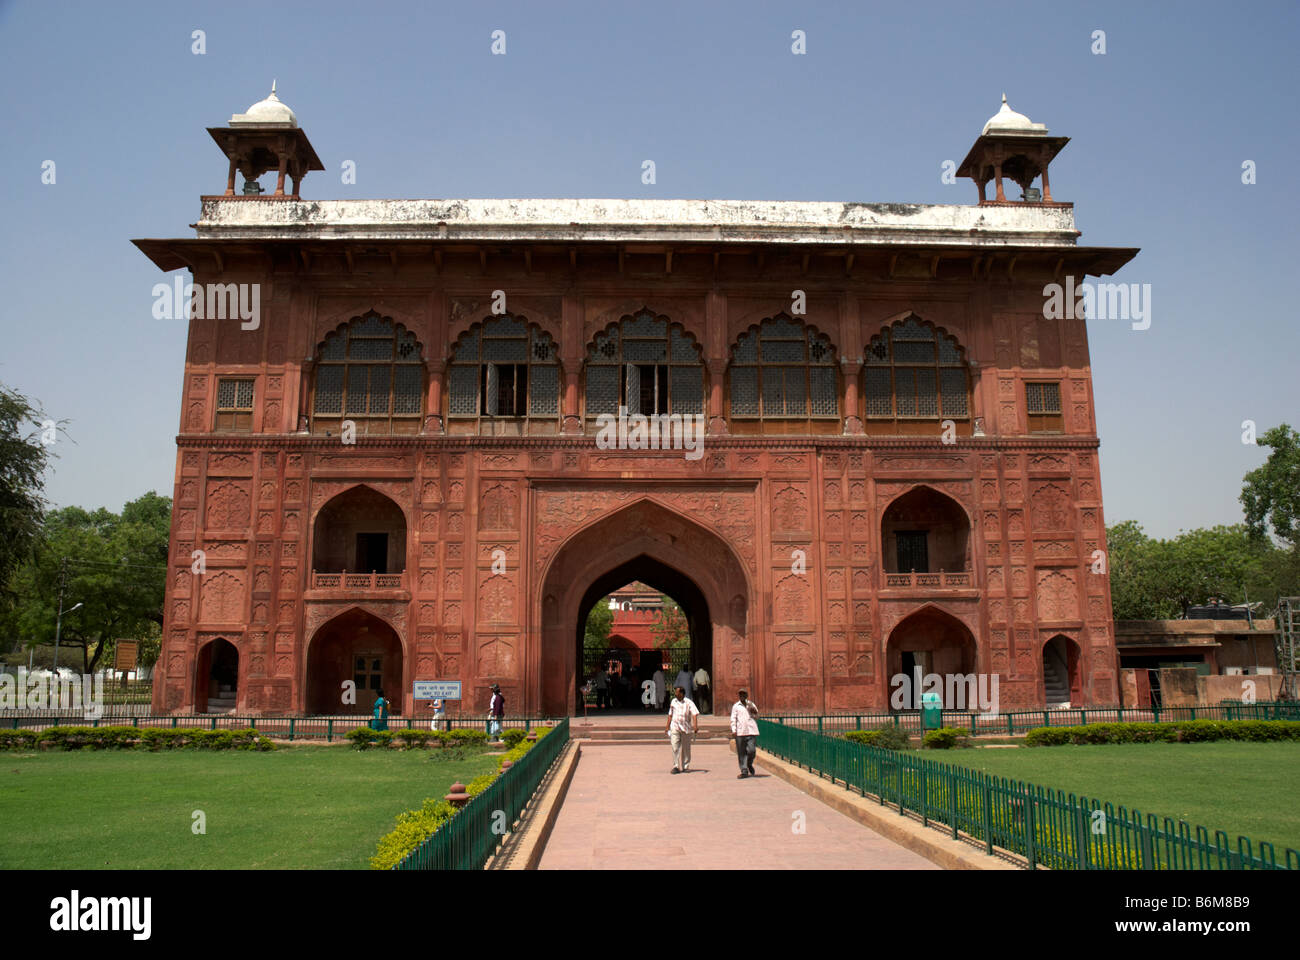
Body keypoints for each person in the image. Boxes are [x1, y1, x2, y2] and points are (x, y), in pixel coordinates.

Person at [664, 685, 699, 774]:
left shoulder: (689, 702)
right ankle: (676, 766)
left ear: (682, 693)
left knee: (686, 748)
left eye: (677, 692)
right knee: (675, 746)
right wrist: (667, 726)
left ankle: (685, 766)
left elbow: (694, 714)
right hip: (675, 727)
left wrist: (695, 725)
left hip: (685, 728)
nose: (676, 693)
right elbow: (670, 714)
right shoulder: (673, 702)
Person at [730, 689, 760, 778]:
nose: (742, 696)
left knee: (752, 750)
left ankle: (749, 763)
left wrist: (753, 711)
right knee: (741, 752)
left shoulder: (751, 704)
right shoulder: (736, 706)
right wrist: (734, 730)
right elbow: (733, 718)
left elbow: (757, 716)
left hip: (751, 730)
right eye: (740, 694)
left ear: (746, 695)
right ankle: (744, 770)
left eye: (743, 694)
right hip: (740, 731)